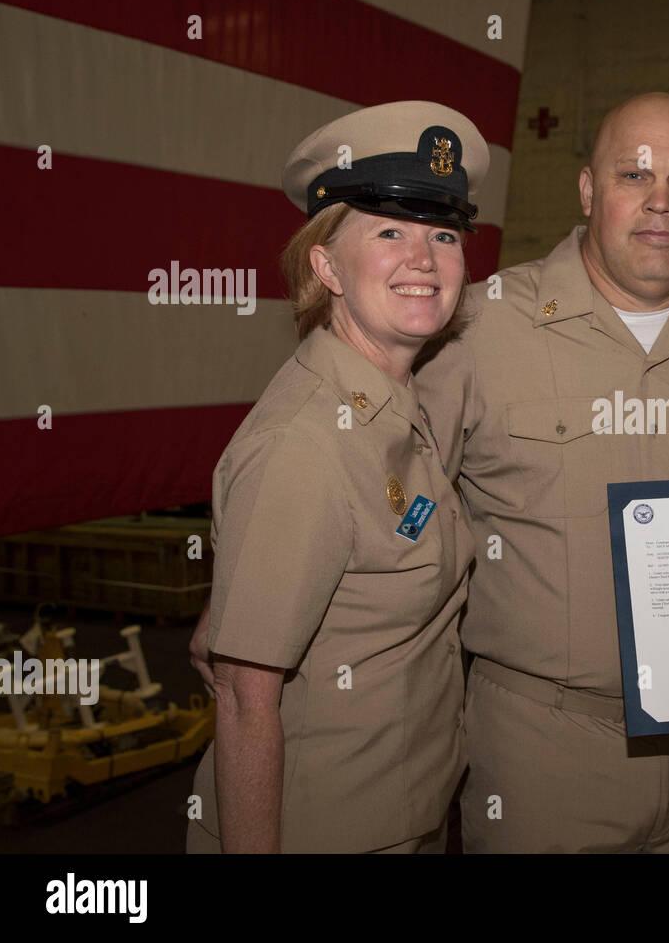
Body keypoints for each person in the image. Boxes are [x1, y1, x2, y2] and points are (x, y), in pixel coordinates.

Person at [417, 92, 669, 852]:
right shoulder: (479, 329)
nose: (660, 203)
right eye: (634, 175)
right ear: (589, 191)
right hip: (544, 756)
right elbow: (399, 521)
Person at [186, 102, 487, 853]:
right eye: (389, 231)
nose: (424, 258)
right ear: (325, 266)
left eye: (443, 234)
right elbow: (246, 699)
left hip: (404, 812)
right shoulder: (308, 442)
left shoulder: (397, 407)